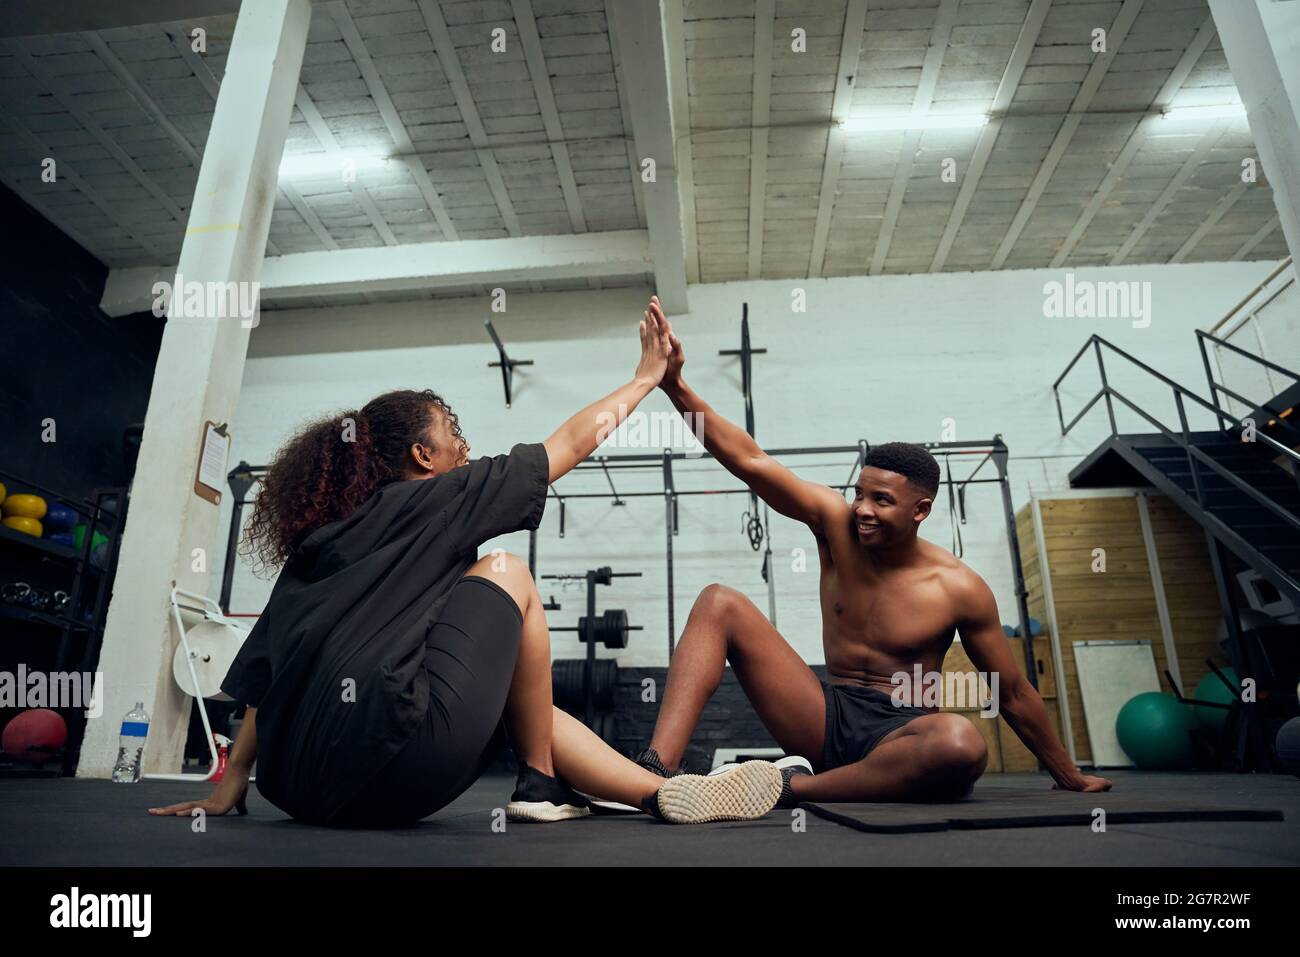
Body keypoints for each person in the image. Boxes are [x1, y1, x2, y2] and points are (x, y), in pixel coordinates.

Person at [149, 306, 784, 827]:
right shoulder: (439, 495)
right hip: (395, 771)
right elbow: (567, 444)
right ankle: (538, 783)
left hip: (292, 789)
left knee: (524, 698)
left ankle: (654, 792)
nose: (465, 443)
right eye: (452, 429)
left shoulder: (320, 541)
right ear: (425, 454)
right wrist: (647, 377)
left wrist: (229, 787)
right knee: (509, 568)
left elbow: (266, 679)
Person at [634, 297, 1112, 803]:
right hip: (823, 715)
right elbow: (750, 461)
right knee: (718, 601)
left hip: (900, 735)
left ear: (920, 510)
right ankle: (653, 773)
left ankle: (791, 789)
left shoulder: (959, 587)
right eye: (860, 493)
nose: (862, 509)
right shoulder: (833, 524)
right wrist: (676, 387)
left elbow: (1010, 692)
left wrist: (1069, 774)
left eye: (881, 501)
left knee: (960, 742)